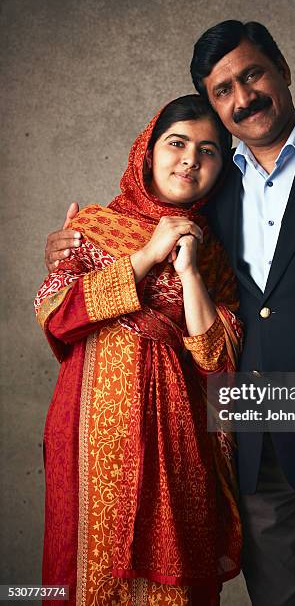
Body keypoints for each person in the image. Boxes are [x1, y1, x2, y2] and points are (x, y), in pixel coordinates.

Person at [45, 21, 295, 606]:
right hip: (249, 439)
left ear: (282, 70)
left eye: (252, 74)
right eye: (223, 89)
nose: (243, 97)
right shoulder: (210, 189)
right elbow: (135, 224)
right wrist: (68, 245)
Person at [36, 94, 243, 606]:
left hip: (180, 436)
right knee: (89, 570)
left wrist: (189, 269)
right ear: (147, 151)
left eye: (209, 150)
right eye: (176, 143)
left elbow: (218, 360)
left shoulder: (216, 252)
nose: (190, 159)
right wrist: (150, 254)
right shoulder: (90, 227)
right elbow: (57, 312)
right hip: (92, 431)